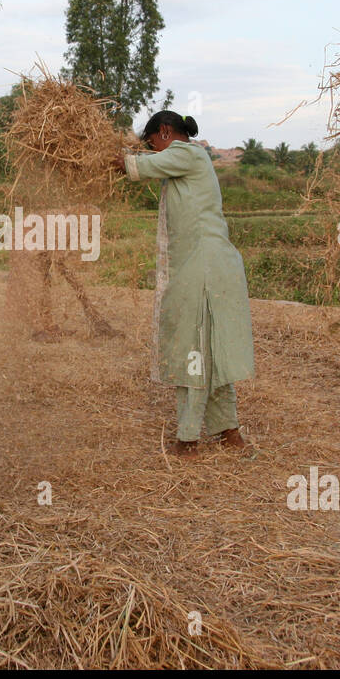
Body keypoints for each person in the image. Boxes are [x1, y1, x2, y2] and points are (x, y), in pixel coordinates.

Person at [118, 111, 255, 458]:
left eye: (152, 143)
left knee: (191, 351)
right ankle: (229, 433)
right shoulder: (188, 160)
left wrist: (102, 153)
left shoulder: (186, 153)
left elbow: (133, 168)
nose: (153, 152)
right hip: (214, 266)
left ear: (165, 132)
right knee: (213, 352)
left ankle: (188, 439)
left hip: (203, 269)